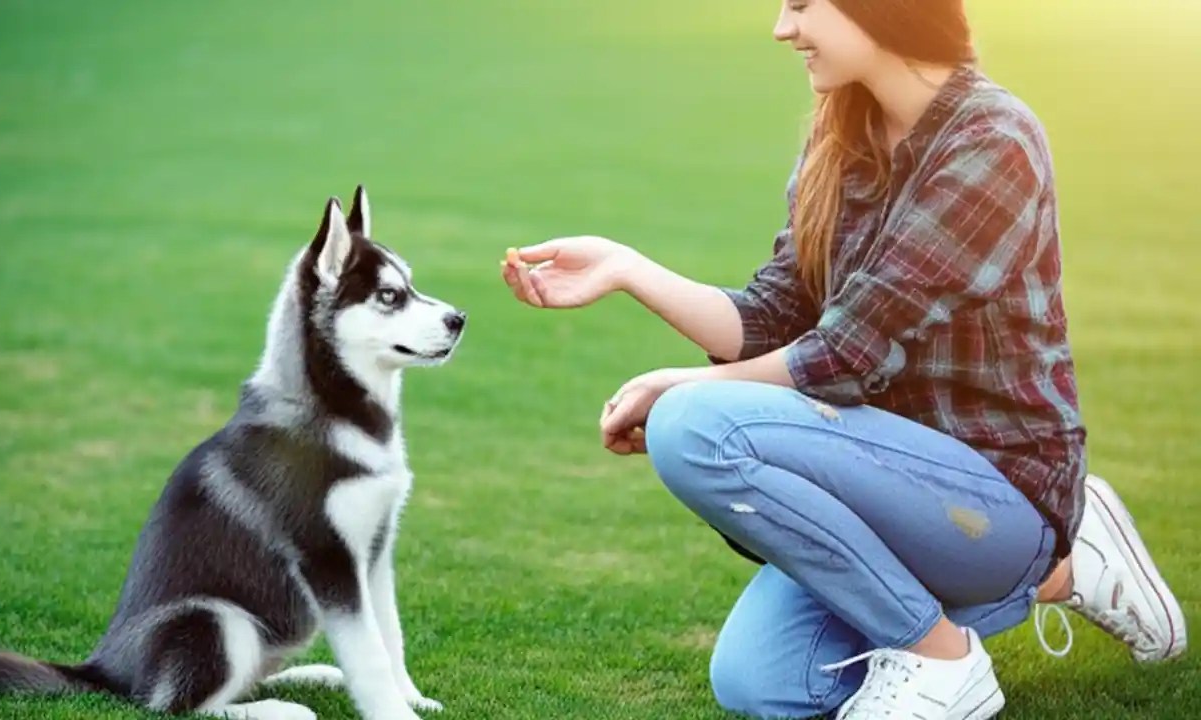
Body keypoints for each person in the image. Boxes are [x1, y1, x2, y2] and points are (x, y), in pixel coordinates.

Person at [499, 1, 1187, 718]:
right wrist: (625, 269)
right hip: (886, 485)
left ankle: (942, 657)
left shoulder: (994, 141)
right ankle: (1066, 572)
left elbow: (846, 357)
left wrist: (680, 386)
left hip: (998, 491)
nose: (781, 28)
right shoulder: (841, 137)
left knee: (692, 426)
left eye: (801, 4)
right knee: (762, 681)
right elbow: (771, 321)